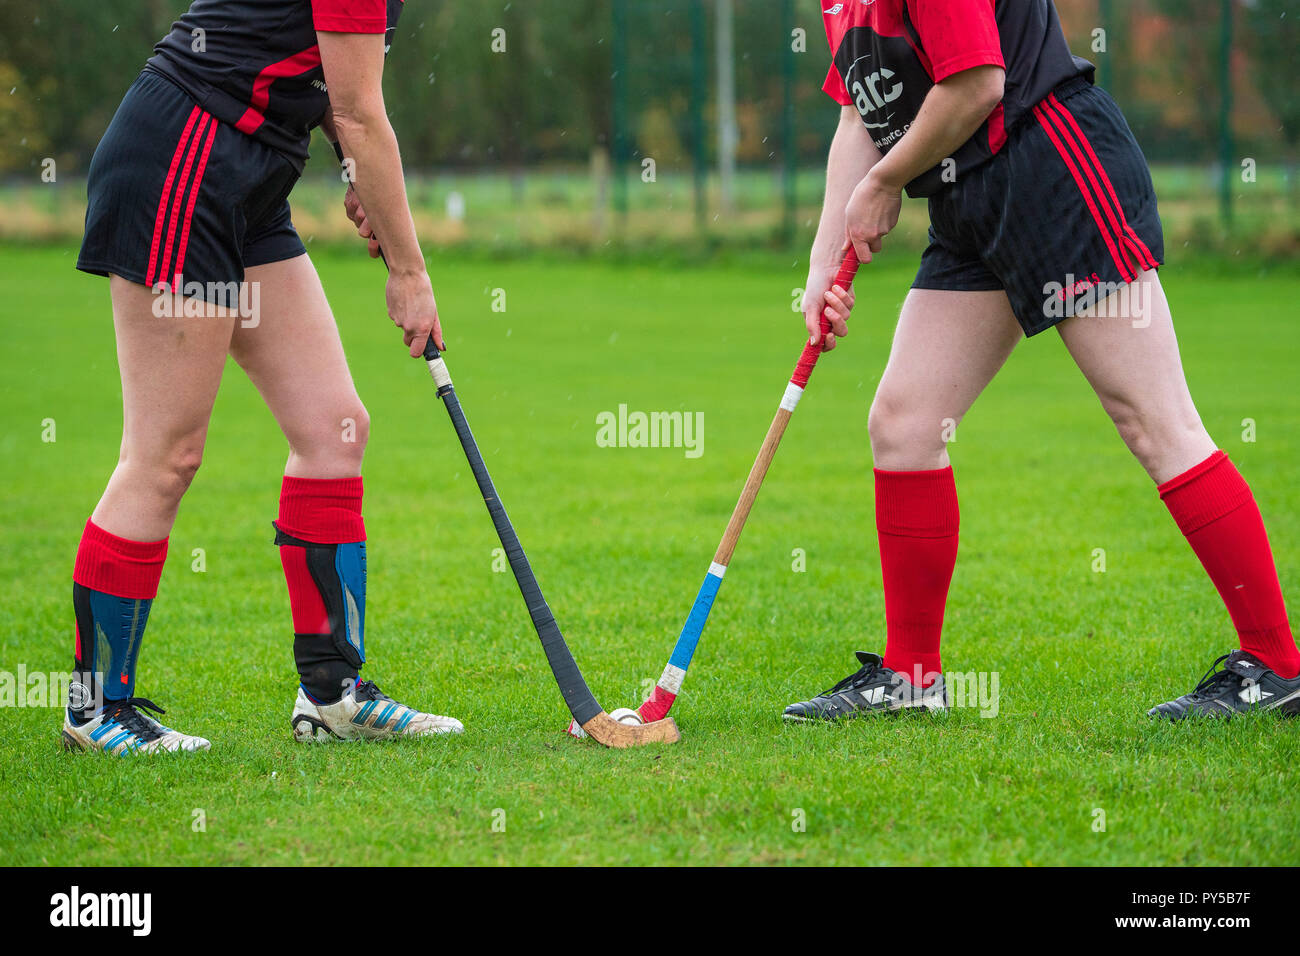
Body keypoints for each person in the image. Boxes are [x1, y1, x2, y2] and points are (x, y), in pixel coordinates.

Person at [785, 0, 1298, 722]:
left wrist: (884, 183)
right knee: (904, 424)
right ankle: (911, 677)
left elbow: (976, 84)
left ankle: (1277, 666)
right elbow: (856, 118)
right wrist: (822, 264)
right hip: (966, 197)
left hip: (1054, 165)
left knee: (1155, 421)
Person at [65, 0, 463, 754]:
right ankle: (95, 709)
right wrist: (410, 273)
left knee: (334, 428)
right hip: (183, 159)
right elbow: (361, 112)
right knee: (165, 455)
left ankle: (332, 694)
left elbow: (336, 94)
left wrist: (357, 171)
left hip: (248, 179)